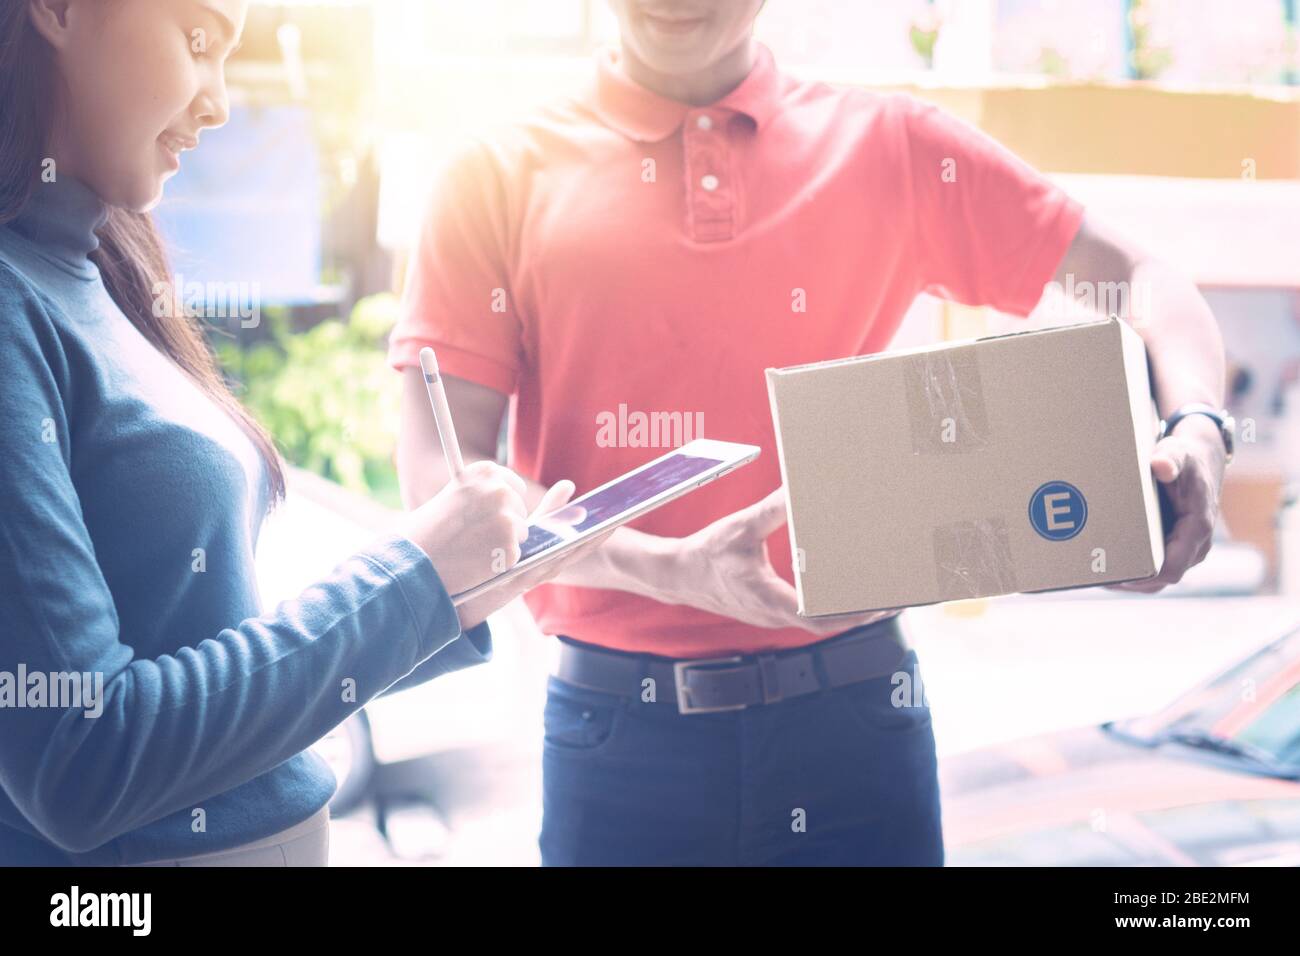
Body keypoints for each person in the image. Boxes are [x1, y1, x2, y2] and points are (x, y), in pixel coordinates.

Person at [391, 1, 1229, 865]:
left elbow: (1145, 279)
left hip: (857, 726)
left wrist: (1199, 424)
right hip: (619, 744)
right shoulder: (492, 174)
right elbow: (444, 483)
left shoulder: (893, 145)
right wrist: (666, 571)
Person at [0, 0, 590, 867]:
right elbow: (82, 760)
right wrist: (408, 578)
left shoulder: (95, 271)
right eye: (201, 43)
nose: (219, 102)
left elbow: (205, 642)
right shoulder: (15, 301)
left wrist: (441, 595)